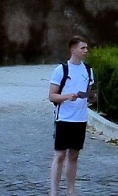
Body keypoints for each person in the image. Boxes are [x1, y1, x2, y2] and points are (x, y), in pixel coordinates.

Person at [49, 37, 94, 196]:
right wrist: (68, 96)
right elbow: (52, 96)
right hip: (64, 118)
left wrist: (90, 97)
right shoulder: (61, 70)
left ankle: (70, 190)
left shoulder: (88, 70)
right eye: (82, 48)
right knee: (60, 155)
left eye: (86, 48)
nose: (85, 51)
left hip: (80, 119)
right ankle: (54, 191)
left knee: (74, 156)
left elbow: (90, 92)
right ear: (73, 50)